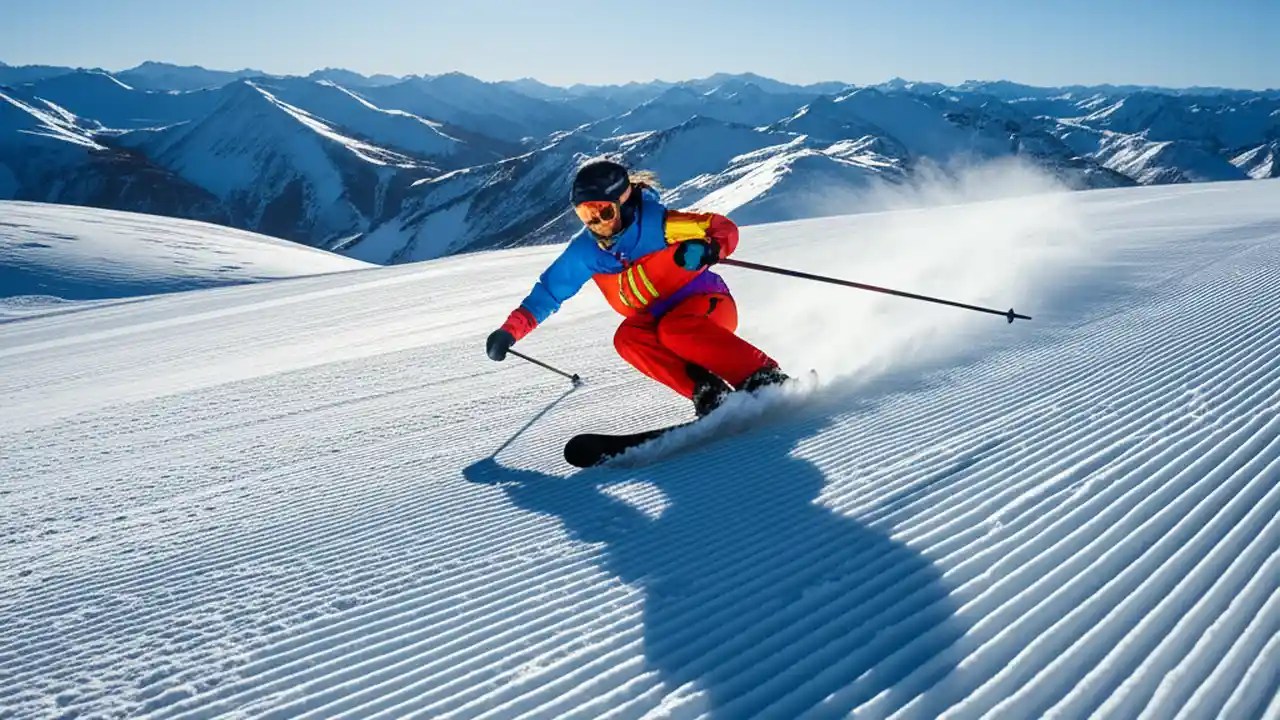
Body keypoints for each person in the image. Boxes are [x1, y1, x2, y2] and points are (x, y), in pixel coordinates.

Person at [485, 159, 787, 417]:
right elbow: (549, 292)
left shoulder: (662, 225)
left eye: (604, 211)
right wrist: (510, 331)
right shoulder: (587, 251)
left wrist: (709, 249)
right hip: (660, 319)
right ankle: (710, 395)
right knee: (628, 338)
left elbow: (723, 228)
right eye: (585, 214)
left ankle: (765, 378)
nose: (597, 223)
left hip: (709, 306)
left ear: (625, 203)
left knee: (674, 329)